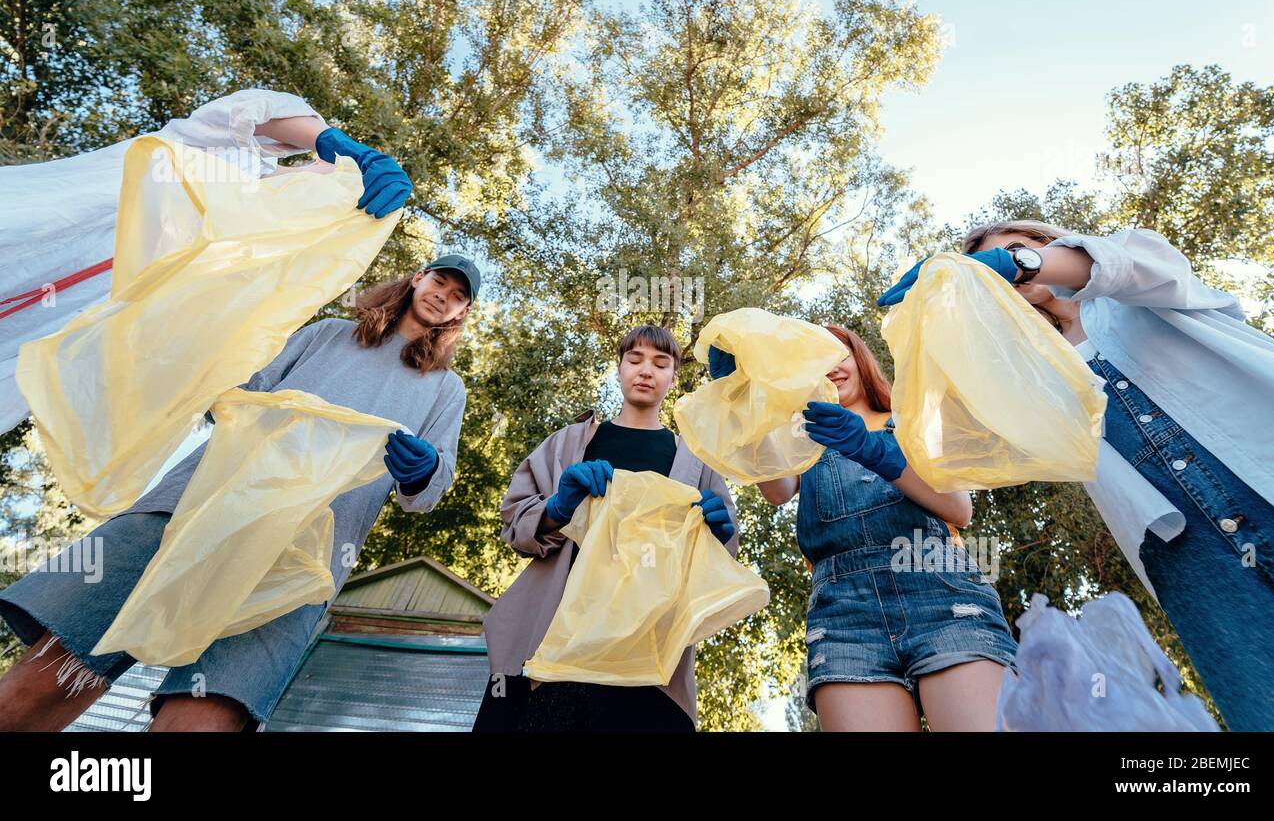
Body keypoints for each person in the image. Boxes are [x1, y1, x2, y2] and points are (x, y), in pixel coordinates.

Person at [0, 255, 478, 731]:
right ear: (418, 278)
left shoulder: (445, 389)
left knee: (200, 722)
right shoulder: (328, 332)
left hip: (302, 561)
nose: (444, 296)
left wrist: (423, 469)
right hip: (193, 508)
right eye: (440, 281)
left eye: (459, 296)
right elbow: (236, 392)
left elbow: (429, 490)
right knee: (47, 682)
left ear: (461, 315)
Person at [881, 221, 1274, 730]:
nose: (1010, 271)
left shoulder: (1136, 279)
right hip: (1188, 555)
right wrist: (879, 436)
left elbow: (1126, 264)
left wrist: (1017, 265)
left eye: (1019, 250)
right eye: (995, 274)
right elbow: (963, 448)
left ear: (1049, 242)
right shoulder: (1035, 373)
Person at [0, 88, 414, 433]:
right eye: (326, 180)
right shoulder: (222, 161)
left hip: (30, 338)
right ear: (306, 161)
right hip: (31, 229)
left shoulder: (227, 271)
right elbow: (252, 111)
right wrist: (345, 148)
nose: (312, 198)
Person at [708, 325, 1018, 731]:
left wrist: (876, 451)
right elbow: (777, 489)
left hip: (942, 593)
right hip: (844, 613)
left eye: (840, 354)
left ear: (860, 358)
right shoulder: (803, 438)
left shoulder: (906, 420)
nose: (832, 367)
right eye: (815, 362)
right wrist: (741, 399)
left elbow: (959, 509)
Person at [473, 325, 740, 732]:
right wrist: (557, 509)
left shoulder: (696, 460)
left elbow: (722, 556)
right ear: (618, 369)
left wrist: (718, 538)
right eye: (634, 359)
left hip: (645, 657)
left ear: (673, 377)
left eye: (660, 363)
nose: (645, 370)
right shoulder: (569, 443)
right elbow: (515, 521)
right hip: (552, 642)